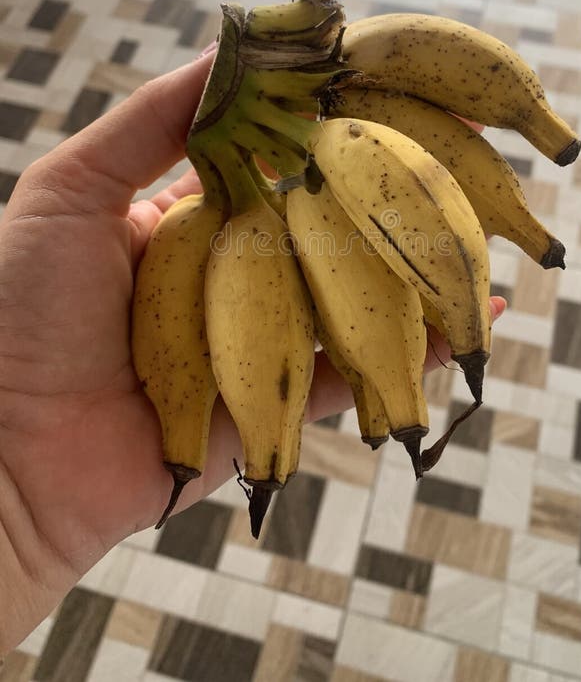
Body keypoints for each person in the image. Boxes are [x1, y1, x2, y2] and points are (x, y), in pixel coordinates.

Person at [0, 49, 506, 654]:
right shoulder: (206, 228)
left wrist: (20, 501)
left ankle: (385, 400)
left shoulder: (315, 184)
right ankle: (368, 410)